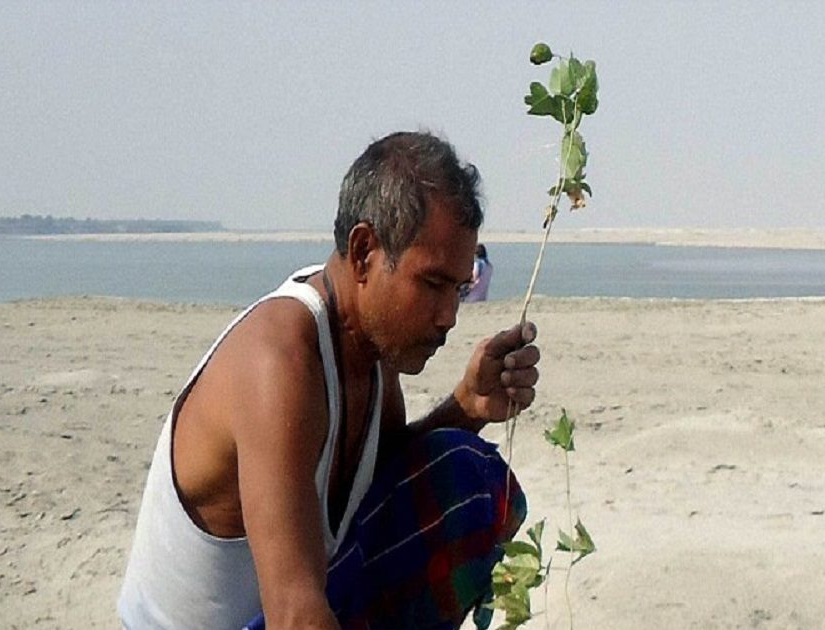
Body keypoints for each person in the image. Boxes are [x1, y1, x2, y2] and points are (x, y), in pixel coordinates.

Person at [118, 131, 540, 630]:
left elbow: (377, 493)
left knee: (464, 476)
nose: (449, 316)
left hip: (292, 608)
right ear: (364, 252)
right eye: (432, 284)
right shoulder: (281, 363)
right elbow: (295, 615)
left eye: (459, 288)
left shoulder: (370, 348)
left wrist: (466, 408)